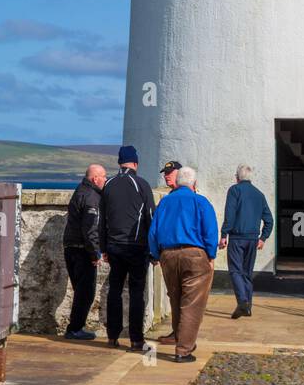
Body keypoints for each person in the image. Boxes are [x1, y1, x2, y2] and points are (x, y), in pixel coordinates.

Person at [148, 166, 218, 363]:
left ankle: (182, 339)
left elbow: (153, 233)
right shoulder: (200, 202)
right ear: (194, 184)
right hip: (195, 254)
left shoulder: (165, 202)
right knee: (192, 303)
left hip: (168, 255)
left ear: (177, 183)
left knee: (176, 299)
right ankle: (183, 349)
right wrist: (211, 256)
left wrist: (156, 254)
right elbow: (210, 232)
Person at [99, 145, 156, 352]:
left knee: (114, 291)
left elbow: (101, 219)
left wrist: (103, 247)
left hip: (114, 246)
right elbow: (151, 216)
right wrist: (154, 248)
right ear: (135, 163)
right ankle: (136, 339)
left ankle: (112, 336)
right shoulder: (141, 184)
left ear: (119, 162)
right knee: (136, 293)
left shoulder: (109, 185)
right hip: (136, 246)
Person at [219, 163, 274, 319]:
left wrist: (224, 235)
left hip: (237, 238)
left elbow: (229, 215)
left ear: (237, 177)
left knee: (235, 270)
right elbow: (269, 220)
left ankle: (243, 302)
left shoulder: (234, 190)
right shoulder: (259, 194)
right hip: (253, 239)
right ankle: (247, 306)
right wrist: (263, 238)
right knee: (247, 273)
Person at [62, 164, 108, 340]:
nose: (105, 179)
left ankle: (74, 327)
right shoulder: (91, 196)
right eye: (103, 176)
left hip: (71, 247)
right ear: (95, 179)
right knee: (86, 293)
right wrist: (94, 253)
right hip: (82, 250)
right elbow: (90, 228)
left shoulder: (80, 190)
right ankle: (74, 329)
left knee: (80, 290)